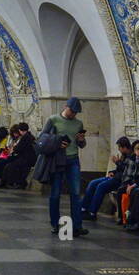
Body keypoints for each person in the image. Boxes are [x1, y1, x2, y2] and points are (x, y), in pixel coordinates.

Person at [41, 97, 87, 235]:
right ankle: (55, 224)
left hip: (73, 160)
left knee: (76, 193)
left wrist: (81, 140)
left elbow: (82, 145)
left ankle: (77, 226)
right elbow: (42, 137)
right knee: (55, 193)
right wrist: (57, 143)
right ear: (65, 106)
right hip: (58, 160)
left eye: (76, 112)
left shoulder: (78, 123)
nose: (73, 114)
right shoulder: (53, 120)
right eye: (72, 110)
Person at [81, 137, 134, 221]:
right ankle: (83, 209)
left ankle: (92, 213)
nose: (119, 150)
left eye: (119, 148)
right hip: (115, 177)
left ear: (124, 147)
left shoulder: (131, 156)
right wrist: (112, 172)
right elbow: (119, 169)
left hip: (120, 181)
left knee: (101, 186)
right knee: (92, 183)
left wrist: (117, 162)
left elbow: (127, 170)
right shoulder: (124, 155)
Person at [114, 139, 139, 223]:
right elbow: (126, 173)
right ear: (134, 150)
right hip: (129, 182)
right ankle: (121, 216)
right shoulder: (131, 158)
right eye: (138, 149)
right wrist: (126, 183)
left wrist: (133, 185)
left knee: (134, 193)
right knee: (120, 191)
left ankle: (132, 219)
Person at [0, 123, 36, 189]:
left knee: (10, 166)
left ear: (21, 130)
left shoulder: (26, 137)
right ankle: (8, 182)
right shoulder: (28, 136)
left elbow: (18, 148)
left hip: (27, 159)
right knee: (9, 164)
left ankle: (9, 182)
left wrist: (13, 149)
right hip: (26, 158)